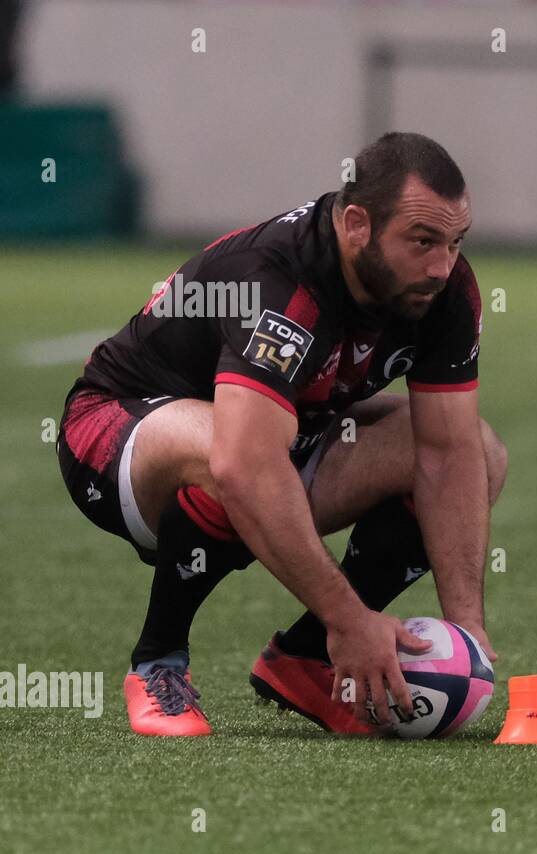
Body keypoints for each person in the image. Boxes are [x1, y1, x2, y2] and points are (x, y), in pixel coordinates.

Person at [56, 132, 504, 737]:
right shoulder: (277, 280)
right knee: (232, 450)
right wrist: (352, 617)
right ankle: (158, 663)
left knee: (481, 452)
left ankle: (304, 660)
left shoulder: (444, 291)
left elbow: (448, 456)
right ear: (356, 225)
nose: (441, 266)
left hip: (275, 437)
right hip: (112, 436)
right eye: (422, 241)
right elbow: (243, 465)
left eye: (455, 243)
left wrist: (467, 627)